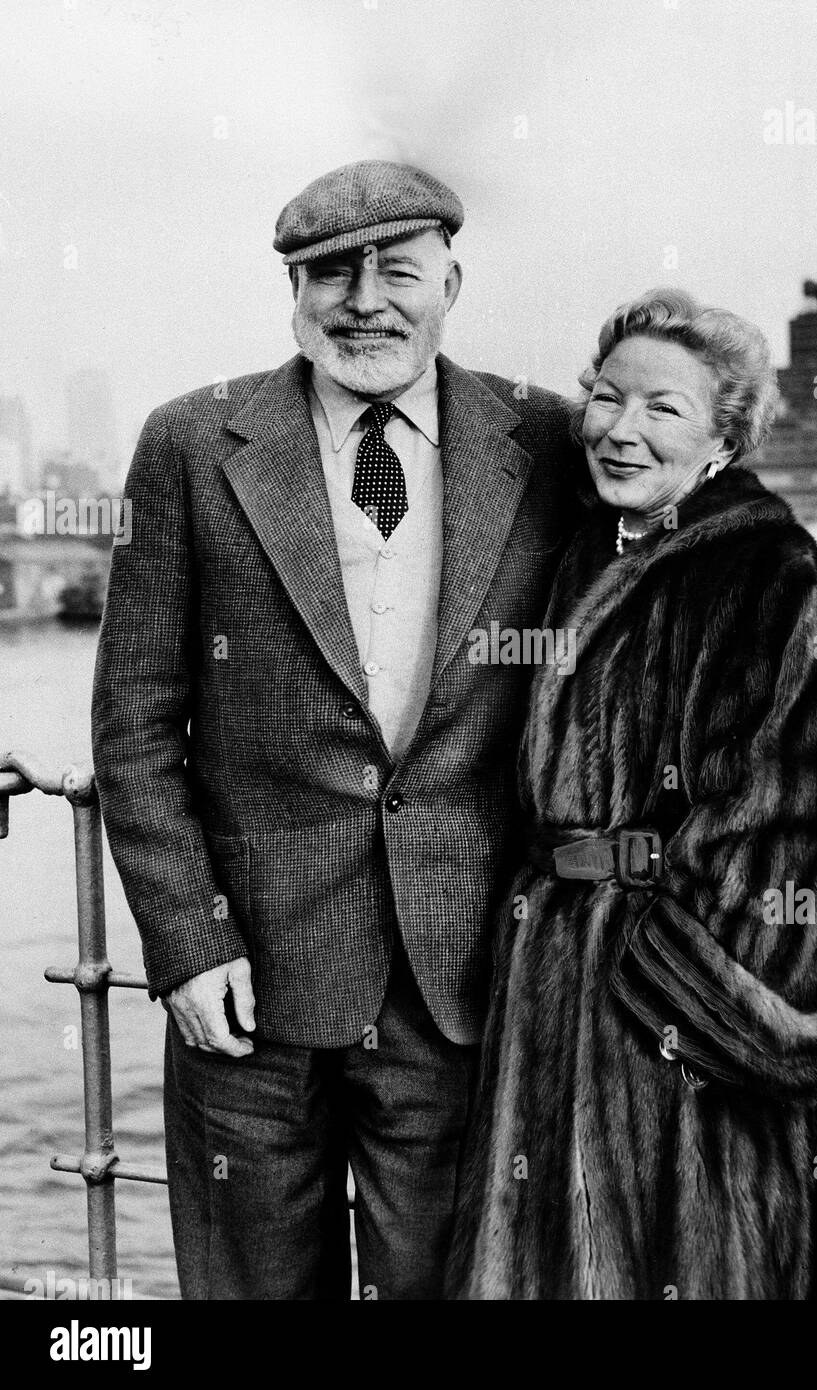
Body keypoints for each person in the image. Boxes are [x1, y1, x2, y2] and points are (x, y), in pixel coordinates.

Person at [91, 160, 579, 1299]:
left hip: (460, 986)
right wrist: (185, 940)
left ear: (450, 280)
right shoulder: (189, 444)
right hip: (245, 988)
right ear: (294, 293)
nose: (365, 301)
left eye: (397, 270)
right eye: (329, 274)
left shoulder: (548, 440)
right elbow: (133, 719)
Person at [447, 288, 817, 1299]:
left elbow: (782, 816)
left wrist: (681, 994)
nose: (622, 428)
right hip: (564, 981)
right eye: (606, 398)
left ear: (723, 440)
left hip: (676, 1011)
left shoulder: (762, 562)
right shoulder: (590, 552)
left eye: (663, 409)